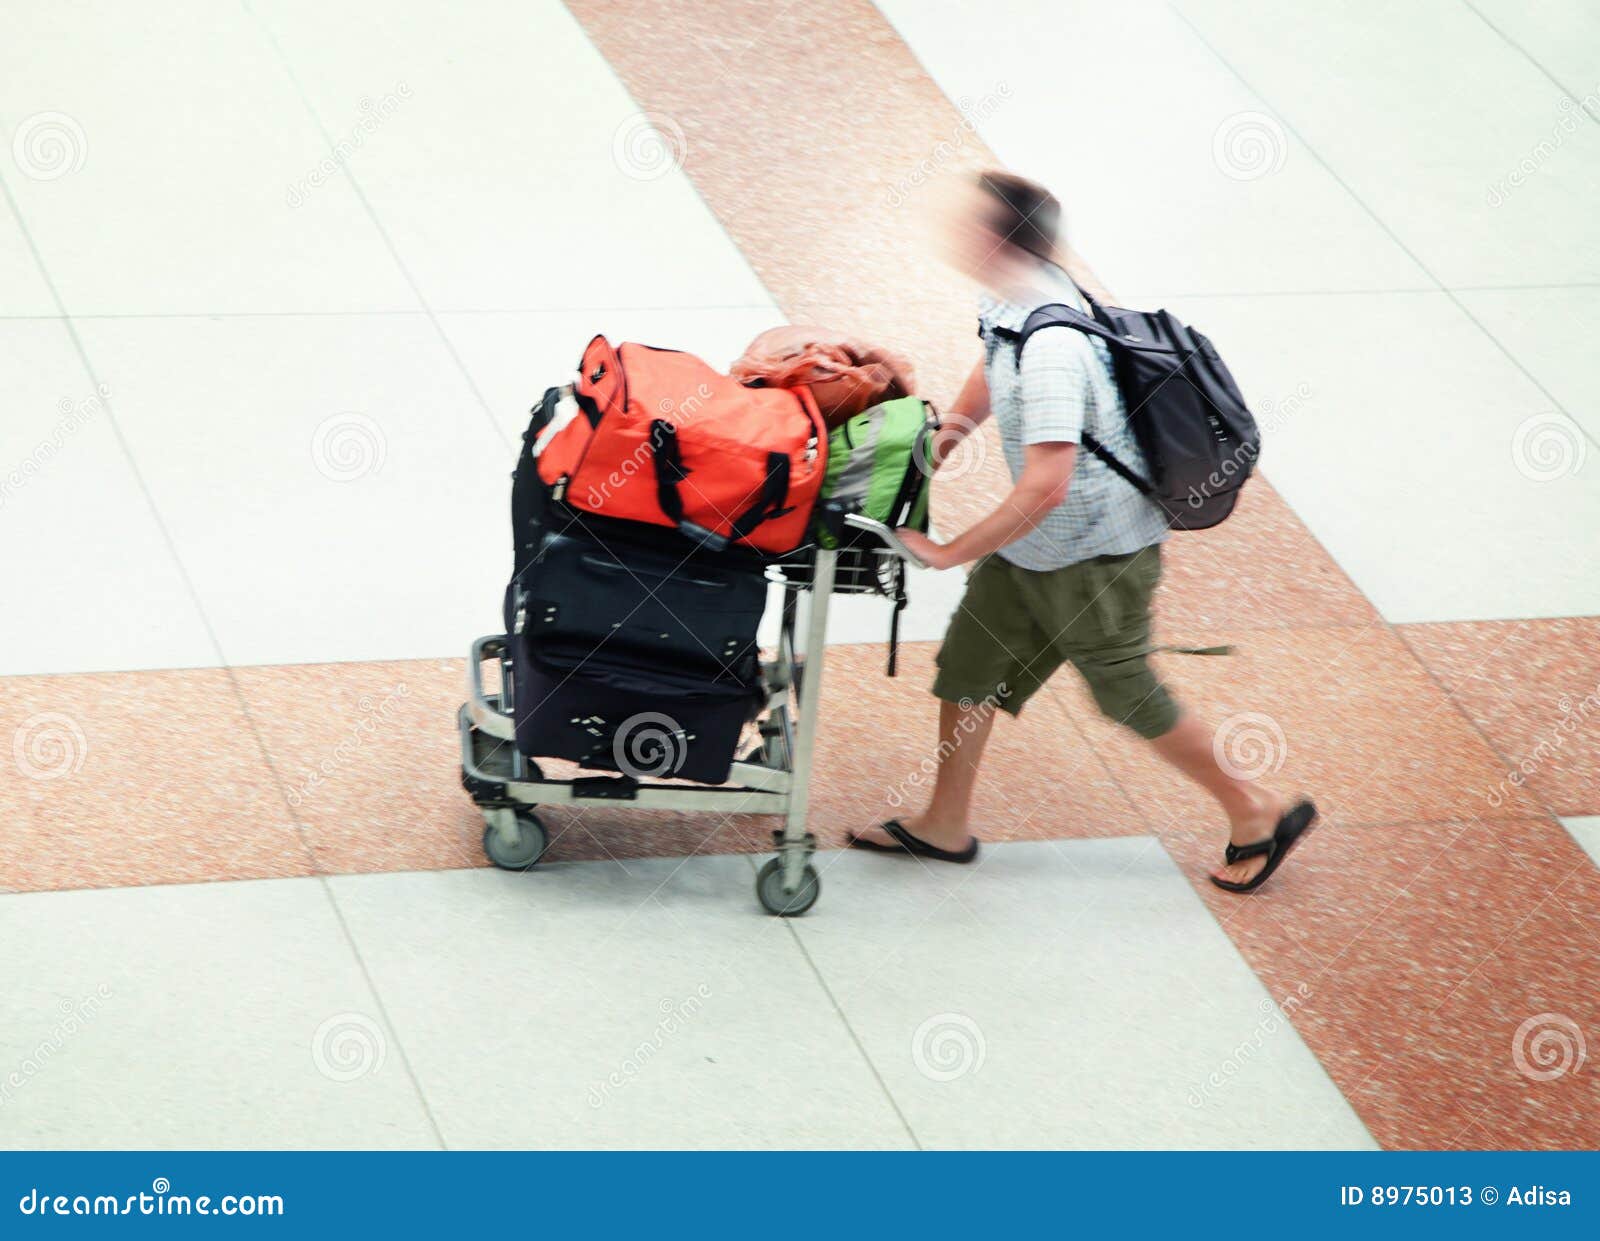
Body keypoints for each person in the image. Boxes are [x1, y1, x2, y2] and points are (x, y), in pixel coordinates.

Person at [847, 170, 1316, 892]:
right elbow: (992, 358)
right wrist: (948, 438)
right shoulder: (1018, 294)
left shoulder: (1054, 347)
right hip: (1036, 544)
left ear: (995, 240)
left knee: (1127, 691)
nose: (951, 234)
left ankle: (1257, 808)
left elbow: (1047, 483)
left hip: (1096, 555)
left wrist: (947, 551)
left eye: (966, 223)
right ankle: (944, 823)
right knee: (969, 667)